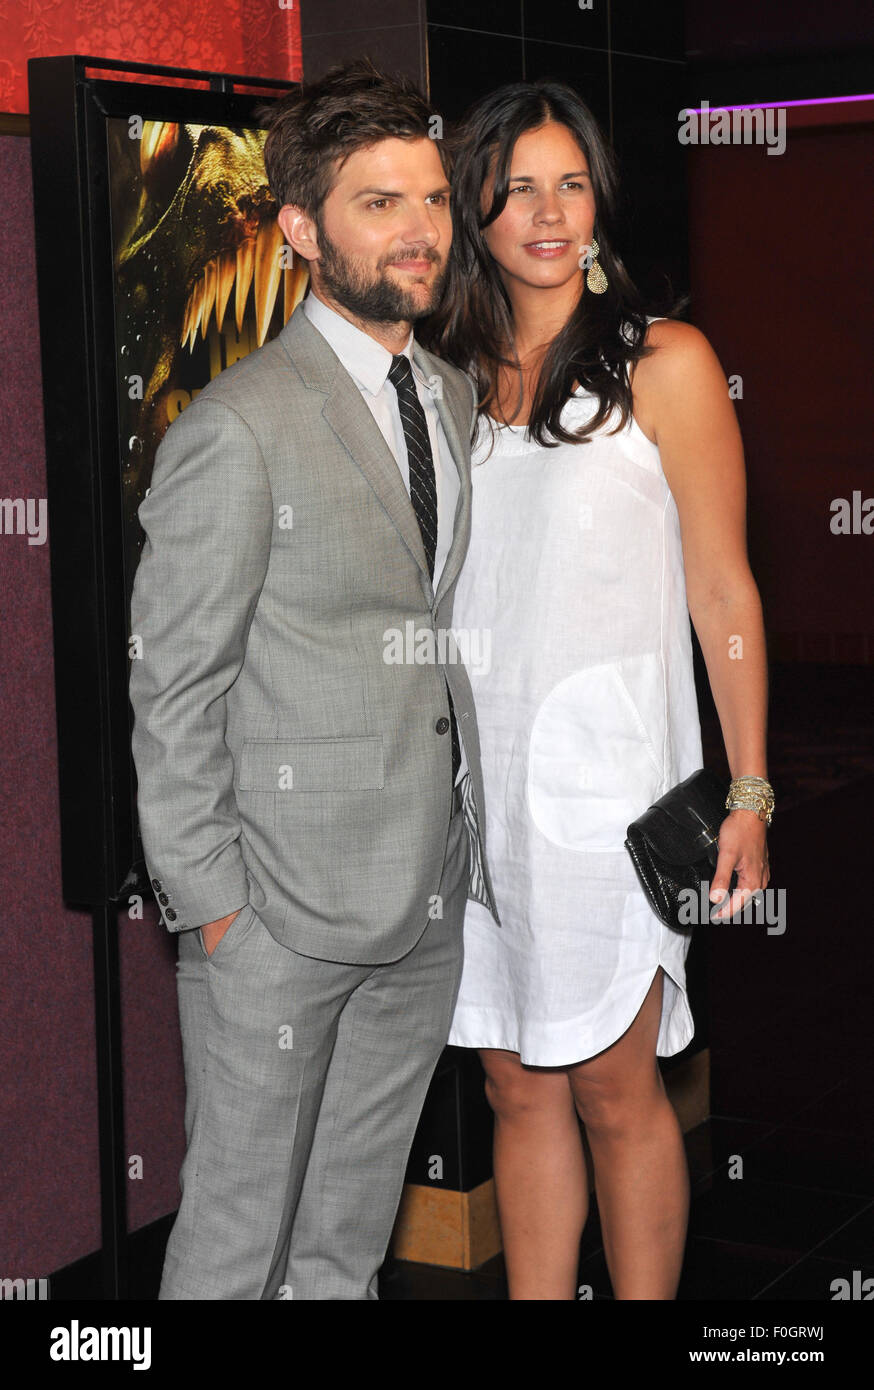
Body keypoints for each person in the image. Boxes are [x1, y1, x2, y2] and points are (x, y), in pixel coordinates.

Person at [128, 57, 500, 1301]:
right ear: (301, 230)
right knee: (237, 1241)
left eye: (434, 199)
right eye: (379, 203)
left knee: (345, 1237)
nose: (421, 231)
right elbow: (171, 690)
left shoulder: (443, 393)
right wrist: (217, 906)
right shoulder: (235, 426)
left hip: (422, 892)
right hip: (274, 913)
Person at [420, 79, 772, 1300]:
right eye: (517, 186)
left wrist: (749, 791)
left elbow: (723, 593)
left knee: (616, 1089)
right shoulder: (448, 378)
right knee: (514, 1082)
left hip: (605, 801)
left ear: (599, 201)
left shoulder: (662, 362)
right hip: (480, 806)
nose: (547, 211)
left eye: (570, 182)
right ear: (476, 206)